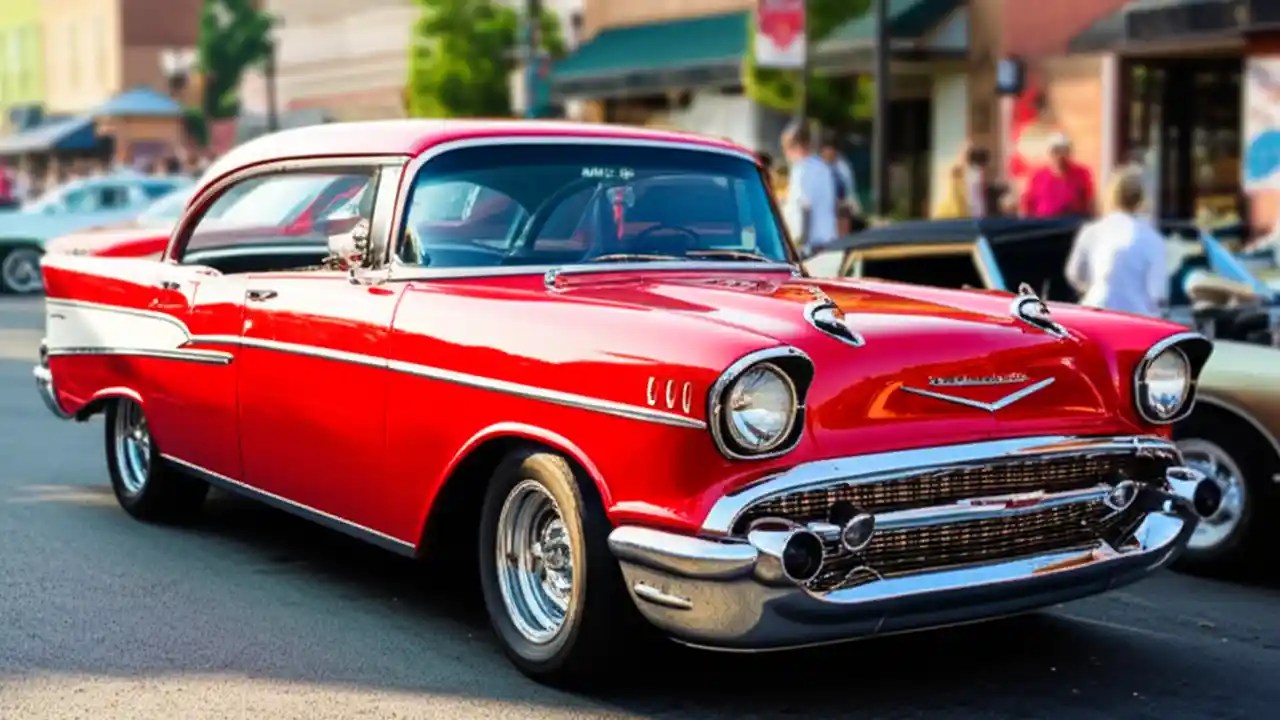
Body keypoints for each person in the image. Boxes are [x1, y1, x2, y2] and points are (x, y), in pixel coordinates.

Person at [1064, 170, 1167, 317]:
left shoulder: (1092, 230)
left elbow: (1074, 274)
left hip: (1095, 312)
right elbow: (1157, 292)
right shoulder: (1152, 238)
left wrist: (1095, 286)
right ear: (1142, 199)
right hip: (1137, 319)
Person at [780, 120, 838, 256]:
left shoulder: (801, 169)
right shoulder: (823, 167)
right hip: (827, 239)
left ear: (796, 146)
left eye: (785, 148)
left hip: (810, 246)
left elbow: (804, 208)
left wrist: (799, 245)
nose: (785, 154)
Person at [1021, 133, 1095, 218]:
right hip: (1043, 225)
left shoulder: (1081, 174)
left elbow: (1090, 204)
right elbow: (1028, 206)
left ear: (1069, 153)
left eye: (1064, 151)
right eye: (1056, 151)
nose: (1060, 156)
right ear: (1049, 153)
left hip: (1071, 225)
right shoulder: (1037, 176)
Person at [819, 132, 862, 234]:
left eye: (831, 151)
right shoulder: (818, 167)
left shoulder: (842, 167)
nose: (828, 154)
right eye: (826, 151)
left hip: (841, 207)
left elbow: (850, 190)